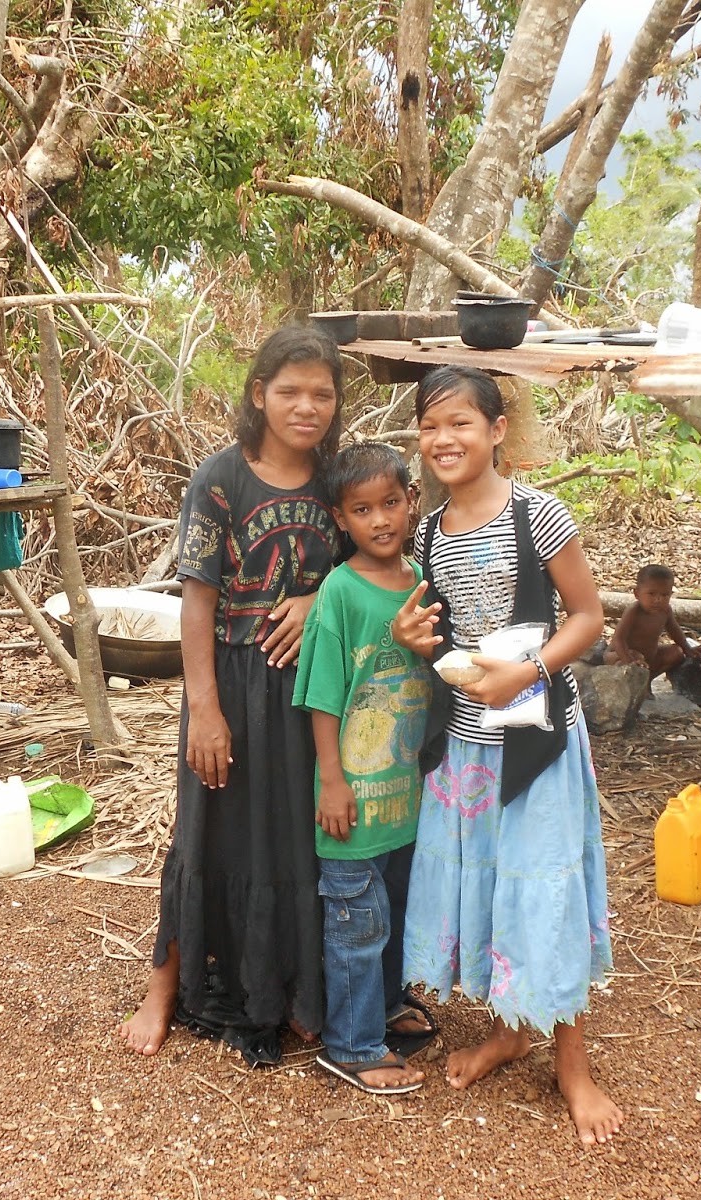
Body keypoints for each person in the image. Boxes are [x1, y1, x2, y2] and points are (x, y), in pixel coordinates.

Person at [391, 364, 622, 1146]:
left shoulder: (539, 516)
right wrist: (414, 638)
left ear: (496, 431)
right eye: (430, 425)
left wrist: (531, 670)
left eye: (460, 423)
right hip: (465, 744)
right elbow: (437, 631)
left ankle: (574, 1065)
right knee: (493, 892)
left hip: (536, 740)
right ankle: (508, 1029)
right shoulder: (427, 532)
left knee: (545, 894)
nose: (443, 439)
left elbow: (588, 618)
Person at [119, 326, 345, 1067]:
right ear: (259, 395)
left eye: (321, 393)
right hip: (232, 684)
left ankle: (295, 991)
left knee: (292, 840)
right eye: (289, 391)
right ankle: (164, 987)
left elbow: (369, 562)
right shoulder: (221, 479)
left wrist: (316, 600)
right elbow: (196, 603)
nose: (305, 407)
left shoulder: (336, 481)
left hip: (310, 692)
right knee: (205, 830)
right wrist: (205, 709)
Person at [292, 443, 437, 1095]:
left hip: (401, 797)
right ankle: (351, 1044)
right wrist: (330, 779)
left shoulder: (418, 581)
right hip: (350, 797)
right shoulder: (340, 594)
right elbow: (323, 694)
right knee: (356, 923)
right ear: (339, 518)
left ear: (411, 502)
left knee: (394, 911)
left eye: (391, 503)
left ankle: (382, 1006)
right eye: (362, 509)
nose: (381, 520)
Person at [604, 563, 701, 679]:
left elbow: (674, 631)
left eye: (665, 595)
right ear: (637, 593)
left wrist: (688, 649)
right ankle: (635, 684)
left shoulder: (665, 611)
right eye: (651, 594)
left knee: (676, 652)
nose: (658, 600)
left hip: (649, 657)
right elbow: (618, 639)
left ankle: (648, 679)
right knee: (636, 657)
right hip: (620, 655)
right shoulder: (634, 611)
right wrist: (629, 661)